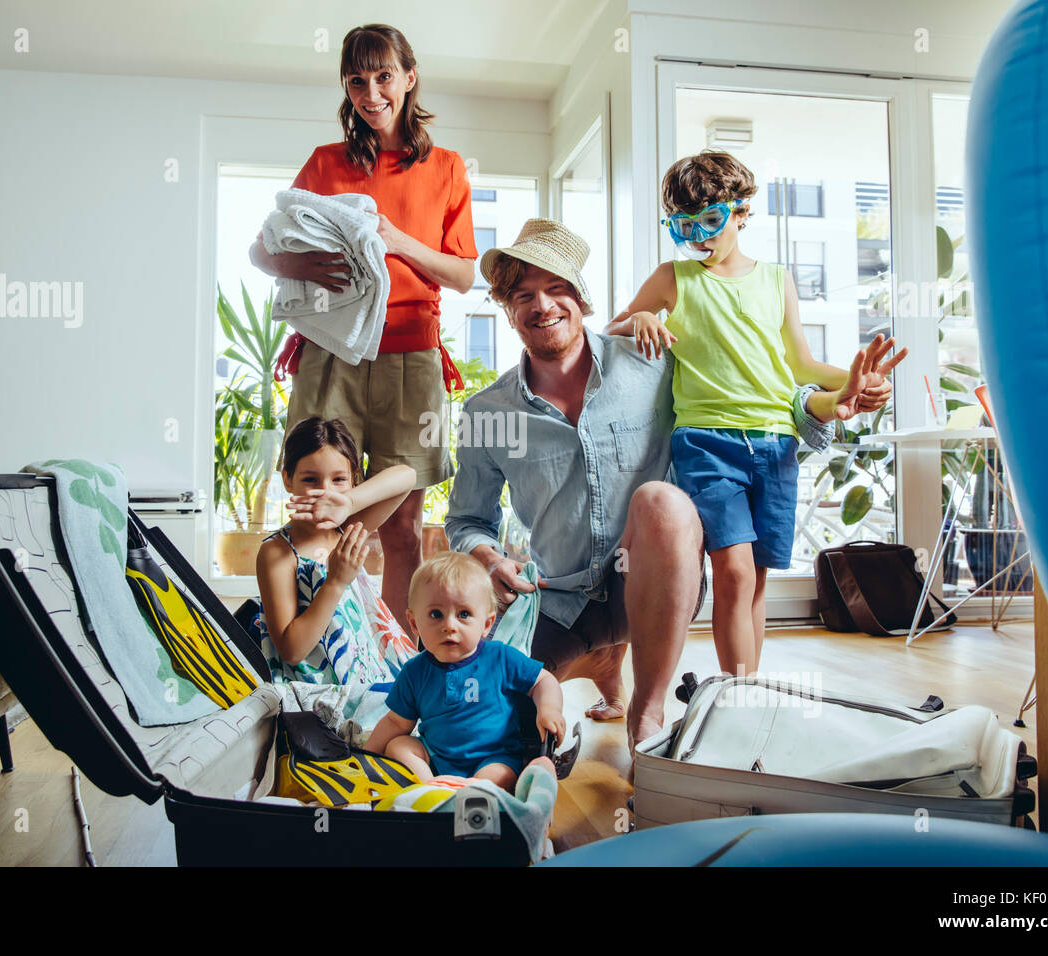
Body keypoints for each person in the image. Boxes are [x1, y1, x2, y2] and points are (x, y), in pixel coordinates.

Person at [607, 150, 906, 677]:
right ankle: (737, 698)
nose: (699, 233)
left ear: (742, 211)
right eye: (684, 225)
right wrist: (646, 317)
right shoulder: (673, 278)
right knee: (734, 572)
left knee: (757, 578)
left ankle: (746, 689)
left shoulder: (776, 280)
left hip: (776, 442)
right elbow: (611, 331)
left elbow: (799, 364)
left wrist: (863, 382)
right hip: (705, 443)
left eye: (711, 219)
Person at [443, 218, 709, 752]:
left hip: (653, 580)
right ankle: (601, 657)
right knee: (493, 728)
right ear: (508, 310)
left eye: (556, 289)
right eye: (524, 295)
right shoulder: (488, 412)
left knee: (661, 500)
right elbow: (466, 520)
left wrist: (826, 409)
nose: (542, 305)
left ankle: (647, 713)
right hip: (559, 597)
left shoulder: (653, 363)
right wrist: (492, 561)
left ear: (581, 299)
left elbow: (739, 412)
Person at [249, 24, 477, 637]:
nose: (371, 92)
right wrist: (292, 263)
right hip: (330, 355)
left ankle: (404, 661)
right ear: (346, 88)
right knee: (320, 514)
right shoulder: (326, 163)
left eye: (383, 77)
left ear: (409, 77)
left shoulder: (448, 169)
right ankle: (319, 650)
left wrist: (400, 243)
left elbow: (462, 274)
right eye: (357, 80)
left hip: (413, 356)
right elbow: (261, 249)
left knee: (401, 525)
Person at [364, 552, 565, 790]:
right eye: (436, 615)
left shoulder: (500, 657)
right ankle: (432, 787)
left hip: (492, 757)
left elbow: (543, 680)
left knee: (502, 774)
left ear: (487, 624)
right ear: (415, 623)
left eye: (464, 614)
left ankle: (467, 791)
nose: (449, 625)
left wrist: (548, 710)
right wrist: (365, 757)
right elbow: (397, 723)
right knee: (398, 745)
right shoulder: (415, 672)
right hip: (436, 758)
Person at [248, 416, 419, 687]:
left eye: (339, 479)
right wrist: (336, 581)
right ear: (287, 479)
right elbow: (292, 651)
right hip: (320, 690)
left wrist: (349, 502)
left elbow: (408, 476)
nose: (326, 492)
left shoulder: (346, 527)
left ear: (354, 480)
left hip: (369, 676)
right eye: (311, 480)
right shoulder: (278, 552)